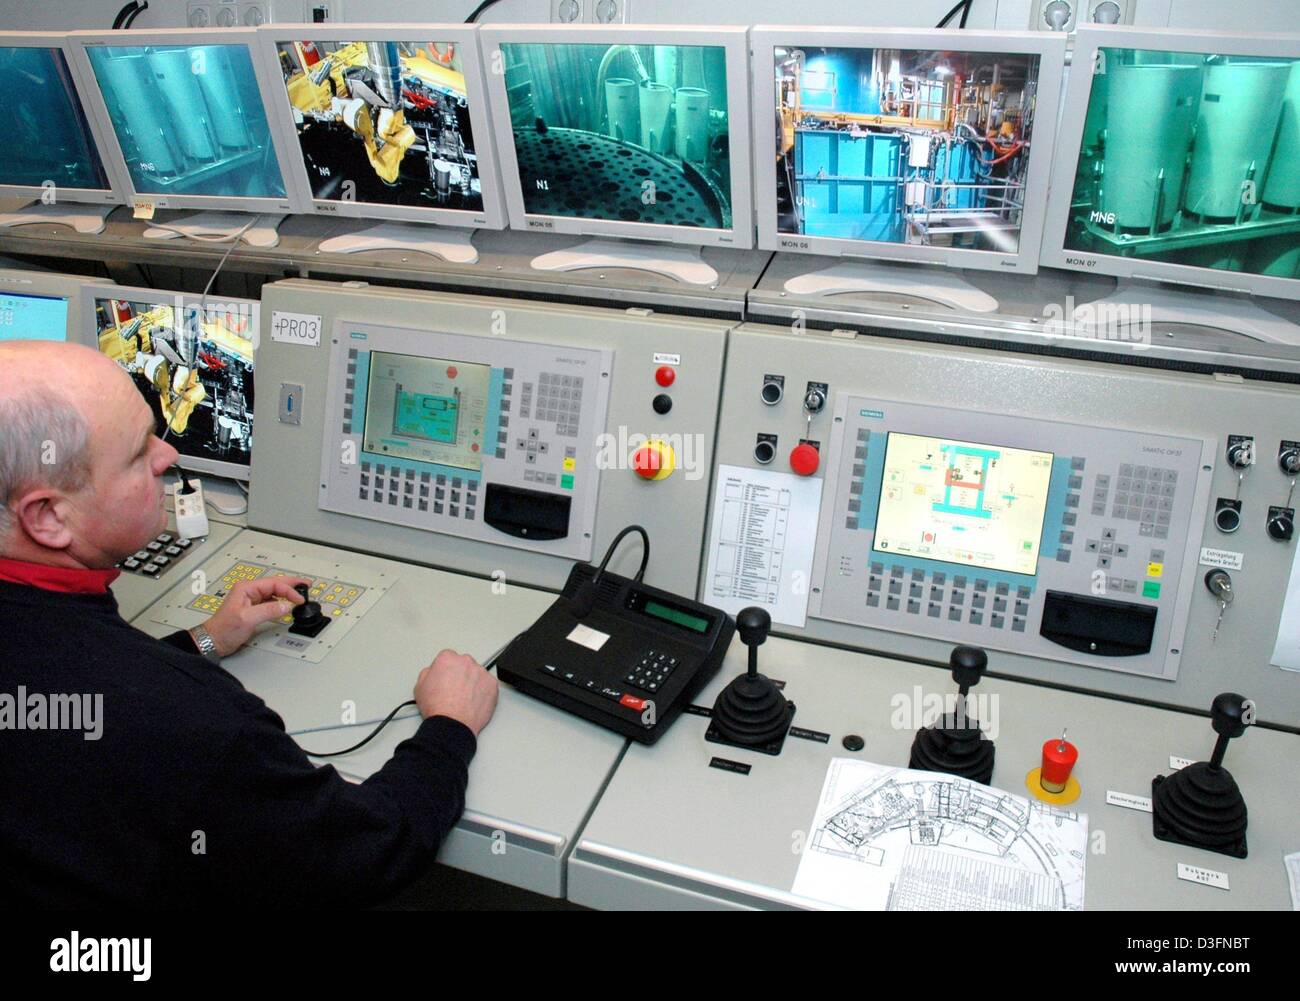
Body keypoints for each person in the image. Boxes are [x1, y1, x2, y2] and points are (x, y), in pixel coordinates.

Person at [0, 340, 499, 906]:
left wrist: (203, 640)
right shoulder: (201, 726)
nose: (166, 458)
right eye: (138, 454)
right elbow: (368, 850)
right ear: (48, 517)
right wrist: (450, 728)